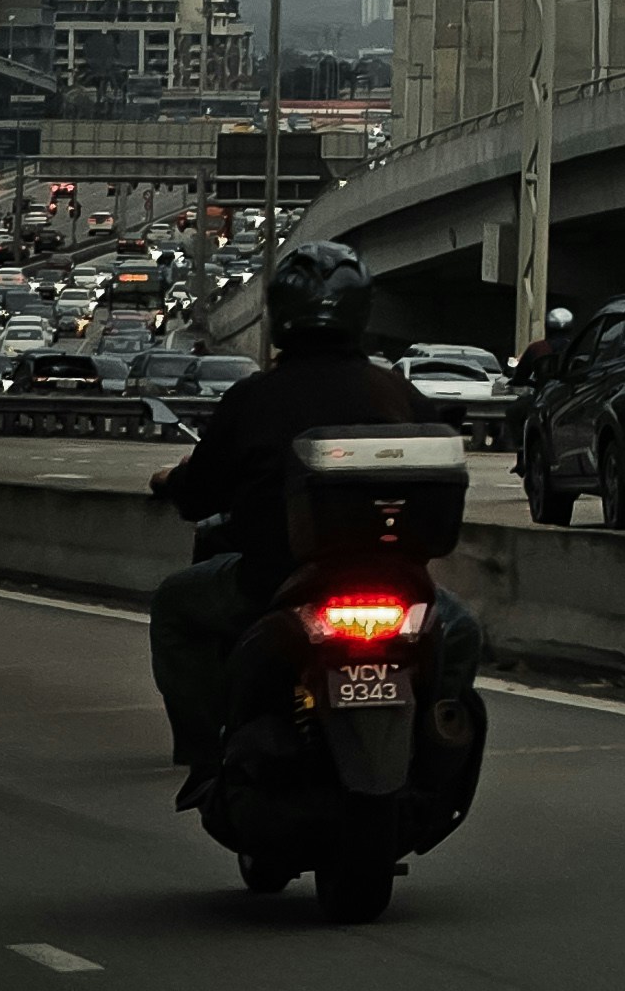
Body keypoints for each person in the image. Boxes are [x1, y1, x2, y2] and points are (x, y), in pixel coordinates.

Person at [144, 240, 481, 798]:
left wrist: (171, 481)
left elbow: (198, 496)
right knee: (462, 630)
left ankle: (205, 761)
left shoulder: (254, 398)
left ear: (280, 313)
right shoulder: (399, 394)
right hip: (398, 586)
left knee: (174, 608)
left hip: (273, 582)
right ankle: (436, 739)